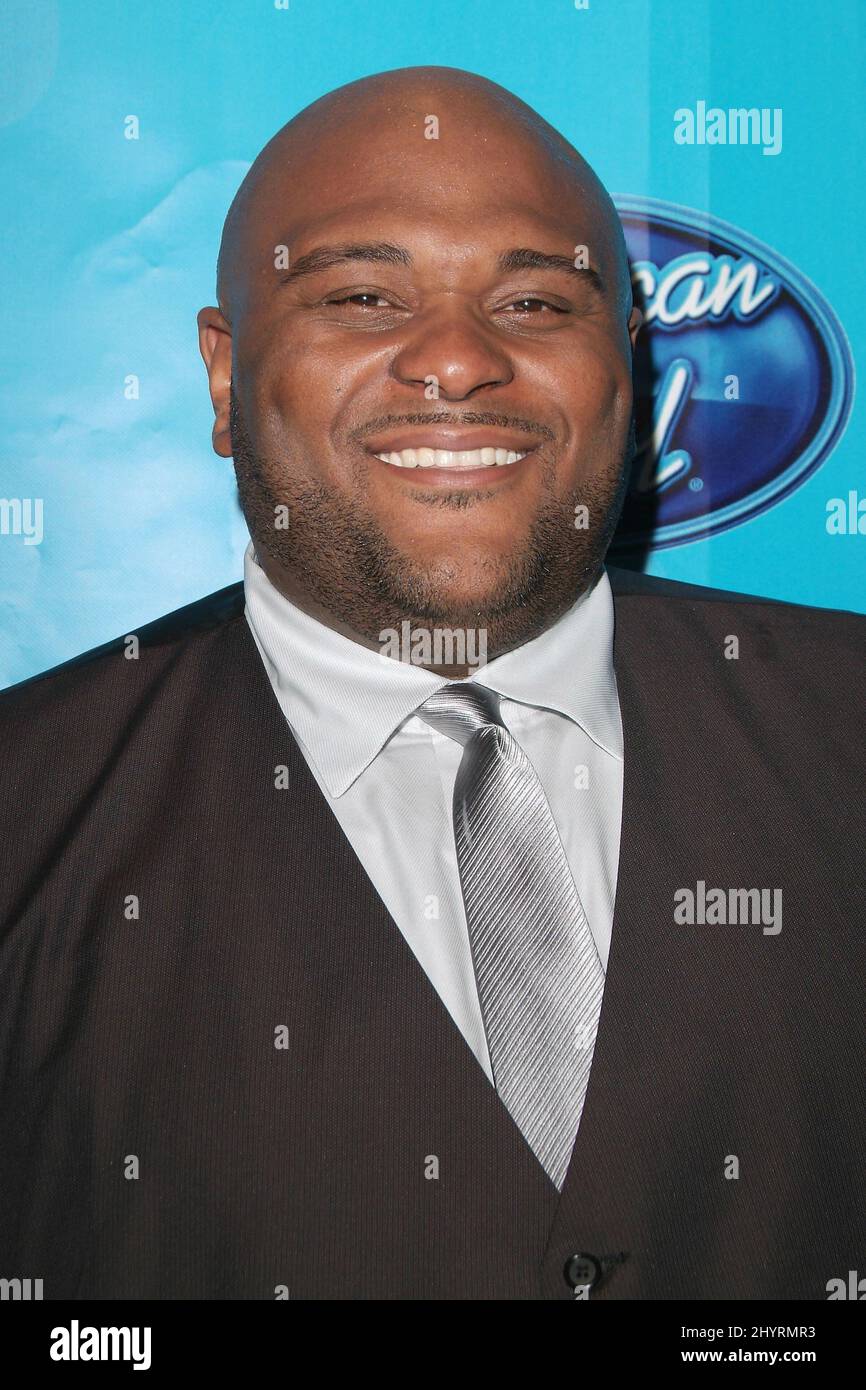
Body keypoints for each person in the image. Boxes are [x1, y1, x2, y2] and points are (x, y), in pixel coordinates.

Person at [0, 66, 863, 1301]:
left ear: (623, 370)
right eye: (362, 296)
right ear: (225, 378)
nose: (456, 361)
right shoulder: (28, 806)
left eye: (534, 301)